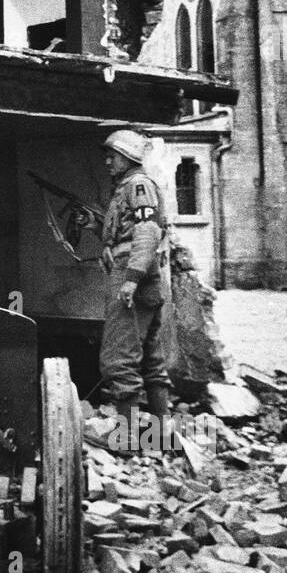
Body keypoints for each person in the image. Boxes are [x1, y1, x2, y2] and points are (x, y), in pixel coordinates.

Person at [95, 129, 171, 451]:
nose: (108, 160)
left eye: (112, 155)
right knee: (152, 361)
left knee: (119, 360)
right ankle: (161, 439)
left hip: (135, 281)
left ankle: (127, 442)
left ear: (128, 157)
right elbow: (130, 231)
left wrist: (130, 279)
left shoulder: (138, 185)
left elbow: (147, 232)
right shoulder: (127, 188)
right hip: (145, 281)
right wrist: (103, 235)